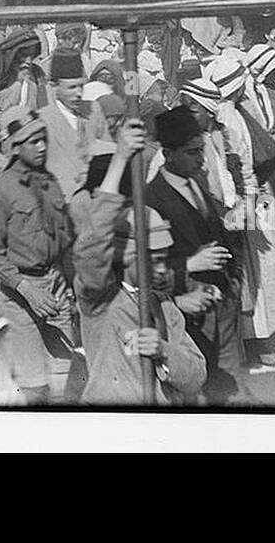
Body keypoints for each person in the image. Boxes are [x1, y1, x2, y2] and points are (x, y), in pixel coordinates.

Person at [75, 149, 209, 406]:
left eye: (163, 258)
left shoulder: (164, 306)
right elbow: (89, 248)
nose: (161, 270)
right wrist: (120, 160)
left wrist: (163, 350)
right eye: (153, 260)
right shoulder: (99, 298)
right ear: (126, 254)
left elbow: (197, 375)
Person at [144, 104, 243, 404]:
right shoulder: (151, 197)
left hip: (223, 307)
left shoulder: (198, 182)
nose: (201, 159)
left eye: (201, 150)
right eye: (192, 152)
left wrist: (234, 279)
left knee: (232, 392)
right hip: (187, 314)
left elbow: (220, 235)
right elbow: (147, 268)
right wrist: (189, 264)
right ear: (169, 154)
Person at [0, 106, 77, 404]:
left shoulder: (50, 182)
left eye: (43, 139)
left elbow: (65, 238)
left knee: (66, 381)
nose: (42, 146)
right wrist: (26, 289)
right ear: (15, 146)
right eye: (33, 141)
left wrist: (66, 280)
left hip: (55, 289)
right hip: (19, 296)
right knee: (31, 386)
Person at [36, 48, 112, 197]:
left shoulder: (93, 110)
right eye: (71, 87)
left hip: (93, 197)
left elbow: (107, 151)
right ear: (54, 87)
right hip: (62, 198)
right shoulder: (42, 119)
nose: (78, 93)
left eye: (81, 86)